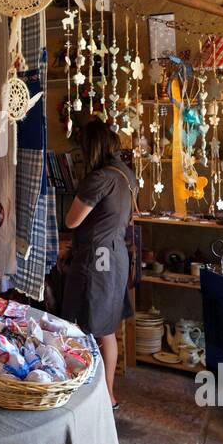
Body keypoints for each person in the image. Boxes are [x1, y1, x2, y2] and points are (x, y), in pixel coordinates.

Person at [63, 120, 137, 408]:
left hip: (98, 257)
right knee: (107, 329)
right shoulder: (125, 174)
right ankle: (108, 394)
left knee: (85, 326)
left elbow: (72, 220)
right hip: (116, 254)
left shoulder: (99, 179)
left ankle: (93, 397)